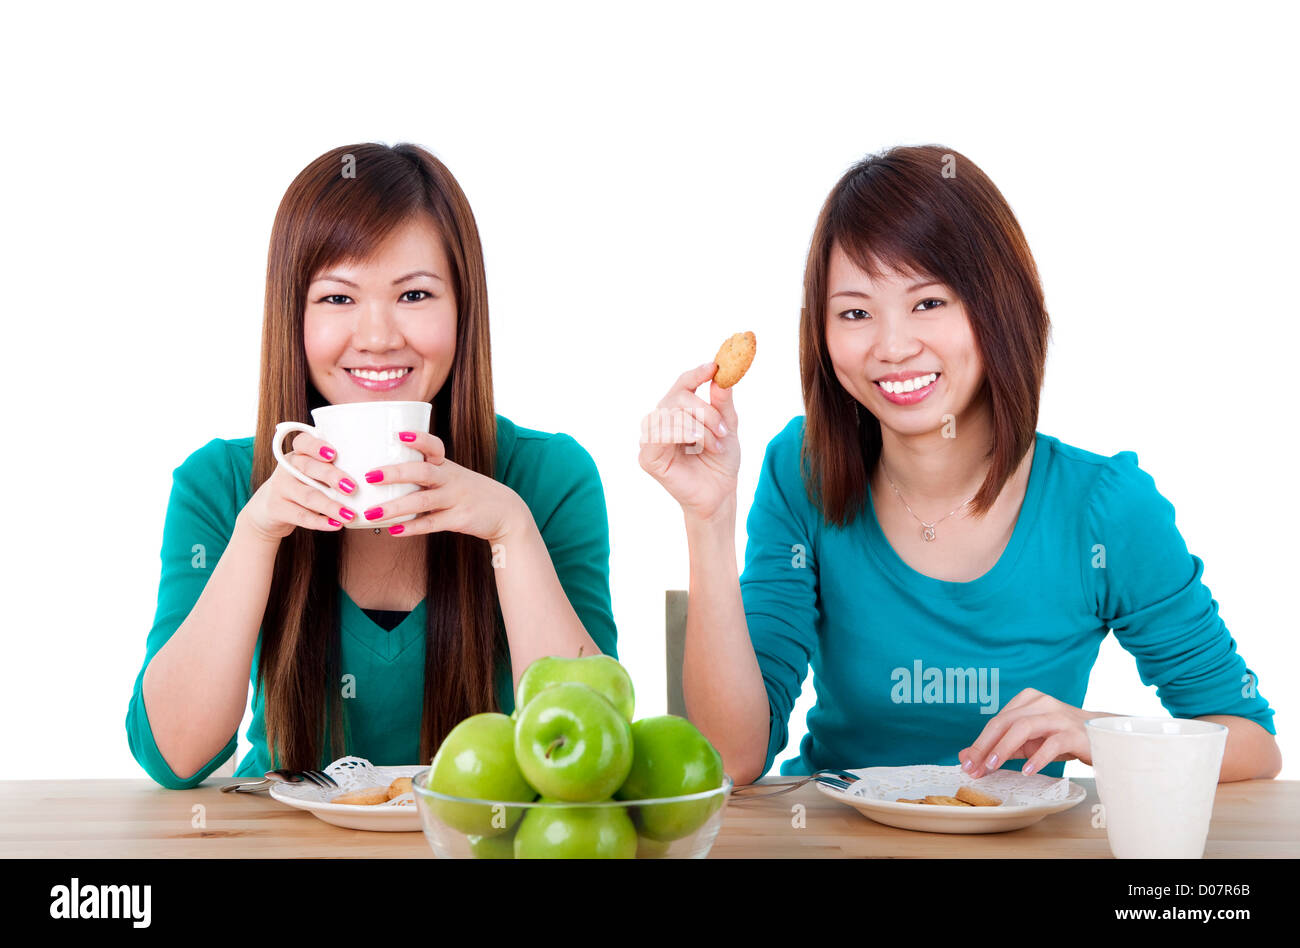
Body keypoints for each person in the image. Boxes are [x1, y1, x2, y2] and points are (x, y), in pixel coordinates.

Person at [639, 144, 1280, 786]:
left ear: (1000, 304)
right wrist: (709, 516)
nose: (892, 346)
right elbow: (731, 760)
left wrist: (1101, 733)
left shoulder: (1105, 509)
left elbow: (1251, 743)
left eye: (929, 302)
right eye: (856, 312)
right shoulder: (802, 471)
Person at [128, 142, 616, 789]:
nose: (380, 335)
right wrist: (257, 534)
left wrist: (511, 531)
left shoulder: (549, 476)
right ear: (291, 316)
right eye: (337, 299)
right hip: (283, 842)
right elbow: (174, 755)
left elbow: (596, 742)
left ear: (464, 309)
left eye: (414, 294)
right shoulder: (217, 484)